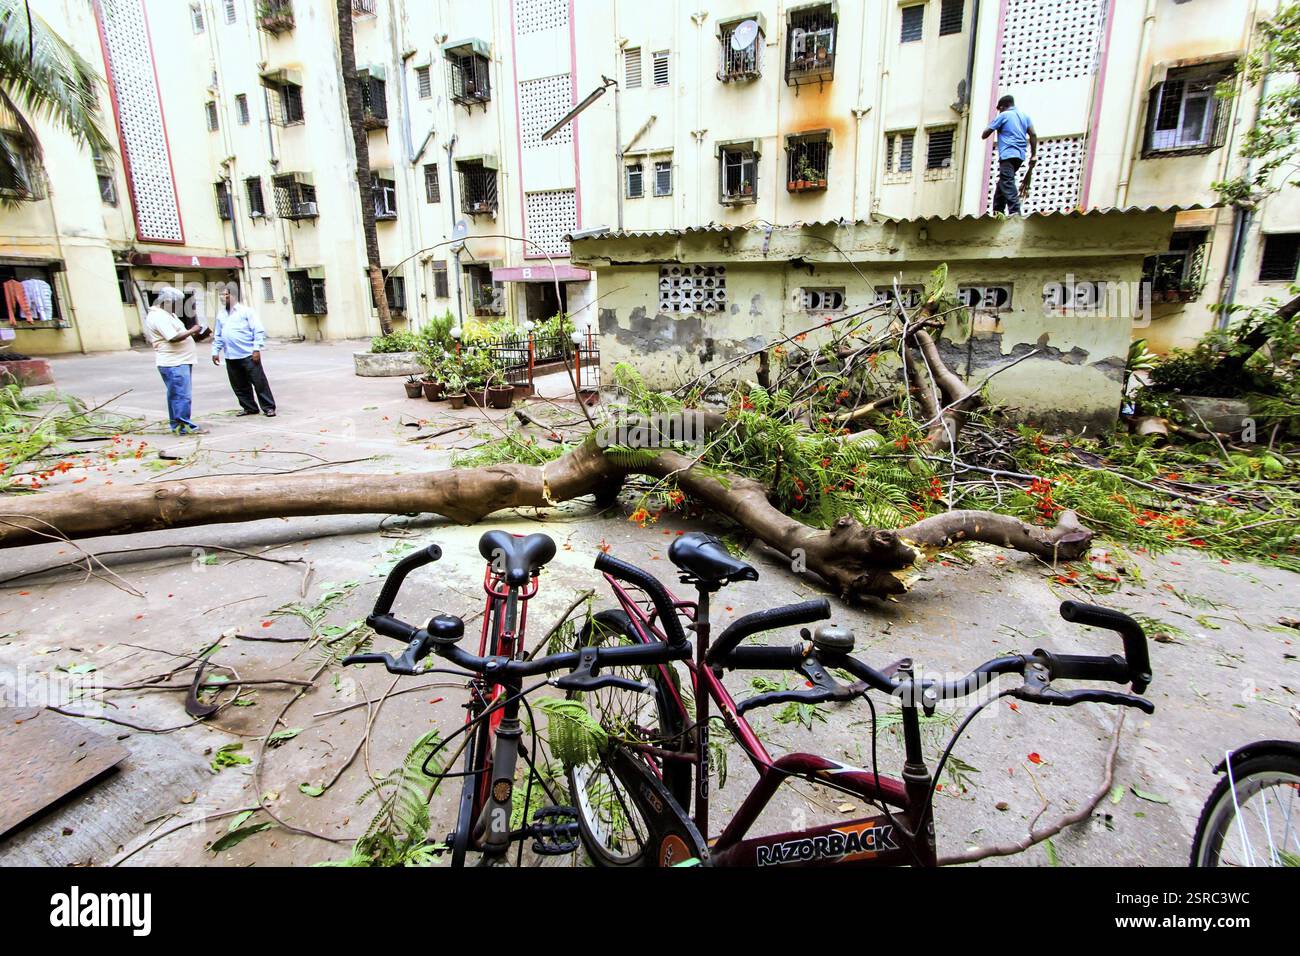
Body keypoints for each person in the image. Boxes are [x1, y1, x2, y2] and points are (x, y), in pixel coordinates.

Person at [143, 287, 207, 435]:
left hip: (179, 360)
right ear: (166, 301)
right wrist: (192, 330)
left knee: (176, 395)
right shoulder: (158, 316)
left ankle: (177, 425)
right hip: (174, 362)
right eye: (176, 302)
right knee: (181, 396)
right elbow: (172, 337)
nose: (178, 305)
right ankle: (183, 426)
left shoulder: (168, 314)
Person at [212, 285, 277, 417]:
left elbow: (258, 330)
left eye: (225, 295)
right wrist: (215, 351)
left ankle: (268, 407)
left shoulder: (246, 312)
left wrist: (256, 349)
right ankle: (249, 407)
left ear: (234, 296)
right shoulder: (221, 315)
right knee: (239, 384)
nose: (222, 298)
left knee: (259, 382)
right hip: (231, 356)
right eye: (220, 295)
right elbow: (218, 334)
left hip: (248, 354)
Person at [982, 94, 1037, 216]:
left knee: (1007, 182)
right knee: (1002, 183)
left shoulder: (1003, 115)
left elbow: (985, 134)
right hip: (1019, 156)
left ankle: (1015, 213)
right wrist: (1034, 155)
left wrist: (993, 125)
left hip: (1007, 154)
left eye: (999, 109)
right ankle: (998, 212)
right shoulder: (1024, 116)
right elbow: (1033, 135)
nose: (999, 111)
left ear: (1003, 106)